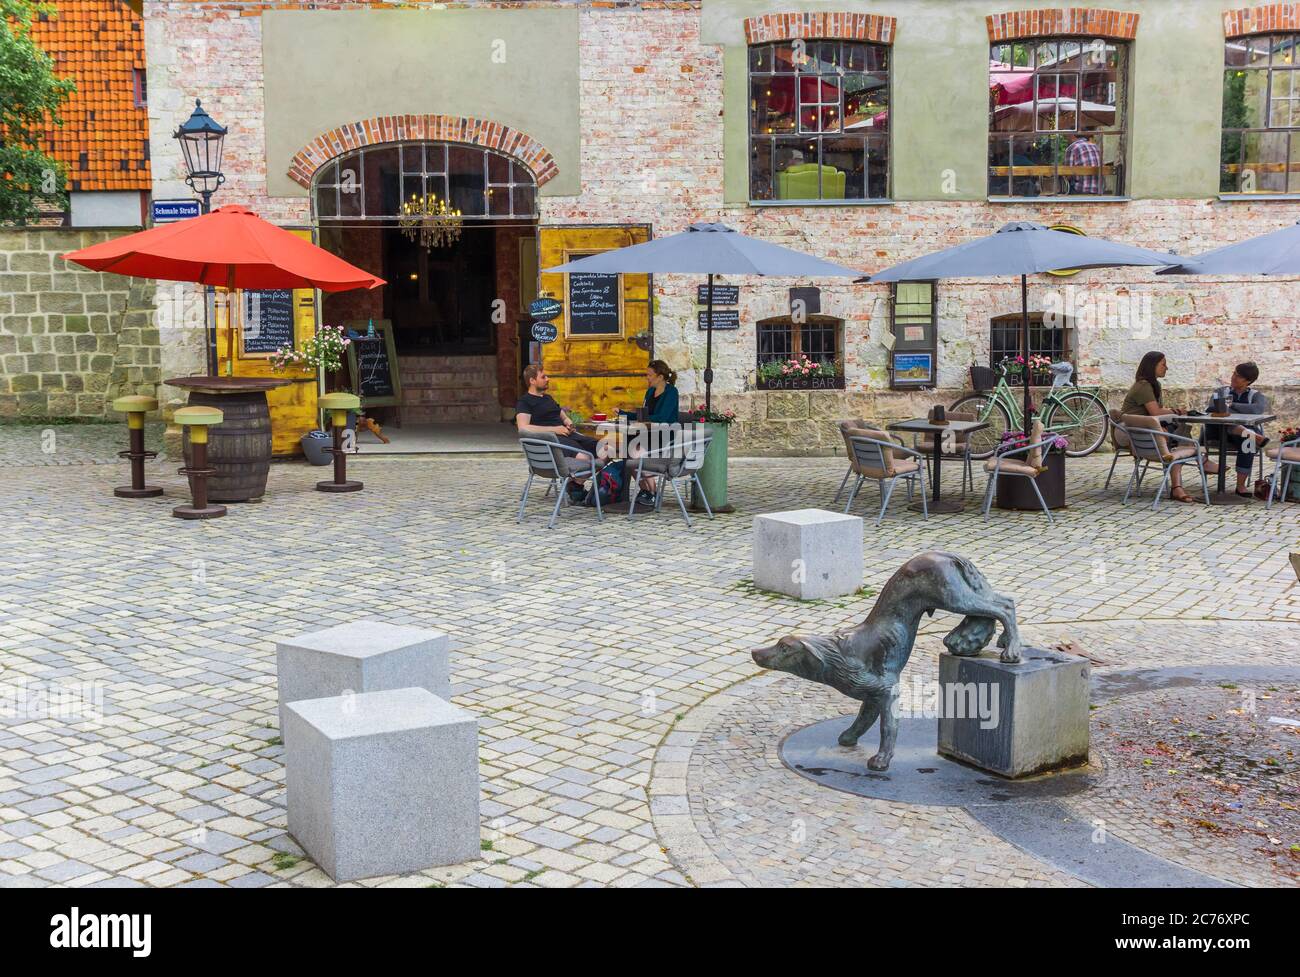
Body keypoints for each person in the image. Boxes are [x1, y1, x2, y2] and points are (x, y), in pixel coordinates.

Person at [1120, 351, 1214, 503]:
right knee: (1181, 434)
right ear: (1152, 366)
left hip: (1143, 431)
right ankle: (1201, 463)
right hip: (1133, 433)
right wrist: (1177, 411)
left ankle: (1180, 484)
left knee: (1180, 431)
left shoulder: (1152, 385)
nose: (1167, 368)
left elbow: (1156, 412)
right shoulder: (1144, 386)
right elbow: (1155, 412)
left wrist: (1174, 413)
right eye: (1163, 364)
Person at [514, 365, 608, 464]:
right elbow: (523, 428)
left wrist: (568, 422)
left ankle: (581, 479)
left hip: (569, 435)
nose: (547, 379)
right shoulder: (524, 402)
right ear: (532, 381)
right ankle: (579, 477)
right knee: (584, 458)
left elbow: (563, 416)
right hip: (551, 441)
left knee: (607, 450)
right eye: (543, 377)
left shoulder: (548, 398)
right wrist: (555, 429)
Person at [1203, 362, 1270, 498]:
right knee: (1228, 423)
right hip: (1217, 433)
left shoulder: (1256, 395)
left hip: (1239, 437)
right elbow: (1212, 408)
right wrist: (1230, 409)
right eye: (1234, 373)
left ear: (1248, 381)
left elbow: (1257, 410)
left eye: (1238, 376)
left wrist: (1231, 405)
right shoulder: (1221, 391)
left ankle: (1240, 486)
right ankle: (1253, 435)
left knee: (1248, 441)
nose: (1233, 377)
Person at [630, 360, 681, 507]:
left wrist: (641, 420)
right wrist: (623, 414)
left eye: (649, 375)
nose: (647, 377)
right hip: (649, 434)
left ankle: (650, 492)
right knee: (627, 454)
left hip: (665, 436)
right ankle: (648, 491)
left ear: (660, 377)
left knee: (635, 453)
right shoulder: (650, 392)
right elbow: (644, 414)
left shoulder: (671, 392)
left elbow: (662, 417)